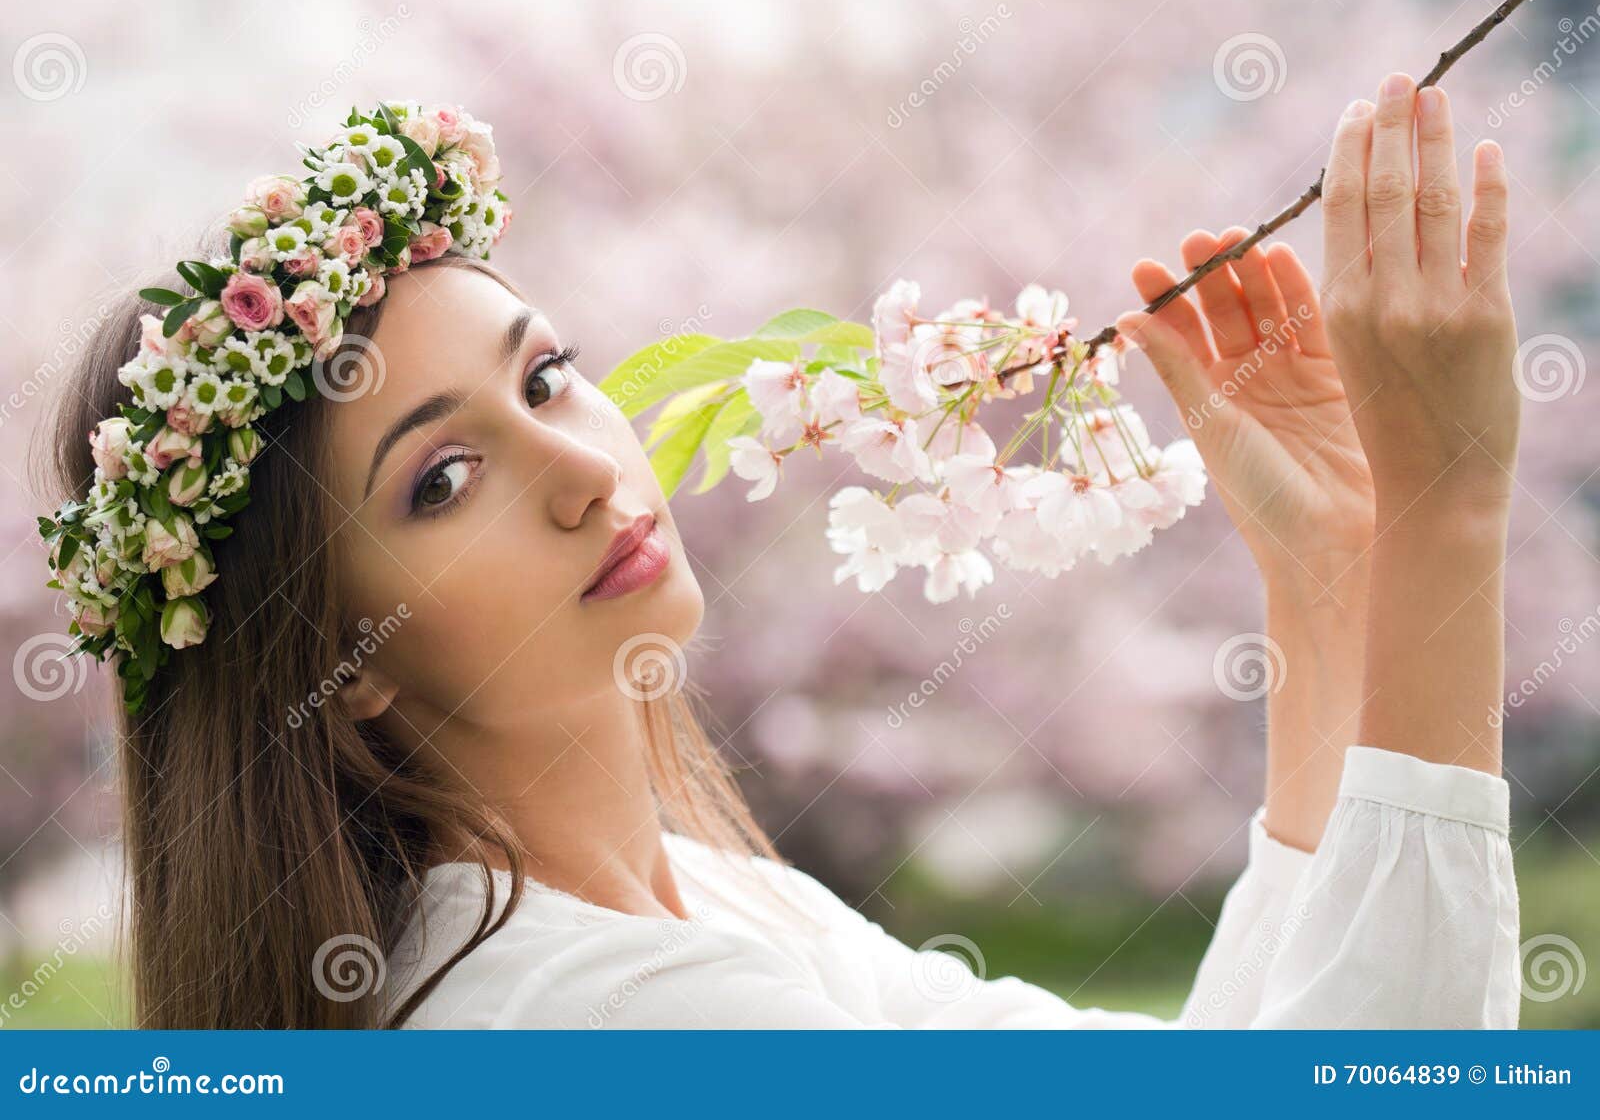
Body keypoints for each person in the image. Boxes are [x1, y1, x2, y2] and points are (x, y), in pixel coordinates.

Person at [43, 75, 1520, 1029]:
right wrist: (1447, 527)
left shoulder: (706, 901)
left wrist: (1330, 576)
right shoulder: (596, 1010)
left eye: (547, 375)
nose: (577, 467)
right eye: (441, 478)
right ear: (337, 666)